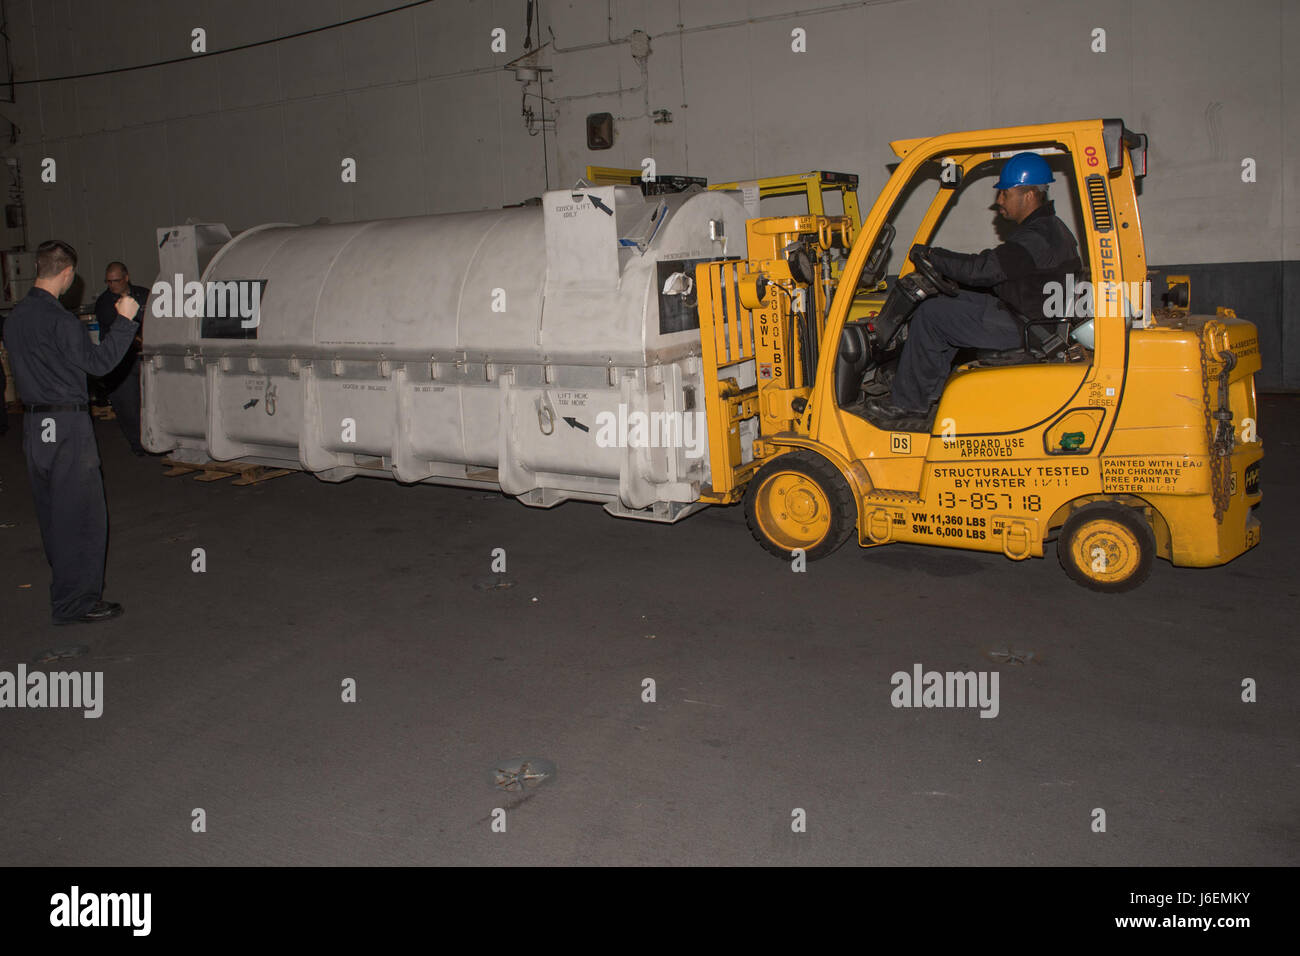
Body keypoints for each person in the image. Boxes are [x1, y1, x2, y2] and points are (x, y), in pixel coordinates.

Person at [867, 152, 1083, 429]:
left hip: (1027, 327)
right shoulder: (1050, 229)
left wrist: (933, 255)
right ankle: (923, 389)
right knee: (944, 301)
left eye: (1004, 194)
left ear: (1028, 195)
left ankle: (908, 403)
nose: (999, 202)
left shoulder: (1036, 237)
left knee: (932, 314)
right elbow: (994, 269)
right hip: (1029, 315)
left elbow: (983, 269)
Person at [3, 240, 140, 624]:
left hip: (35, 426)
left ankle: (66, 591)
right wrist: (127, 321)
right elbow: (99, 364)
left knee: (54, 515)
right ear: (68, 273)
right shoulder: (60, 321)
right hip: (66, 427)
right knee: (82, 514)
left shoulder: (16, 320)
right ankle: (75, 602)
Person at [93, 261, 149, 454]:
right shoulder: (104, 303)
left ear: (126, 278)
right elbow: (120, 331)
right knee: (127, 405)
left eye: (116, 281)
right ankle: (138, 445)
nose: (112, 285)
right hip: (121, 360)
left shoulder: (144, 295)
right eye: (108, 281)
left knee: (149, 401)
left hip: (145, 356)